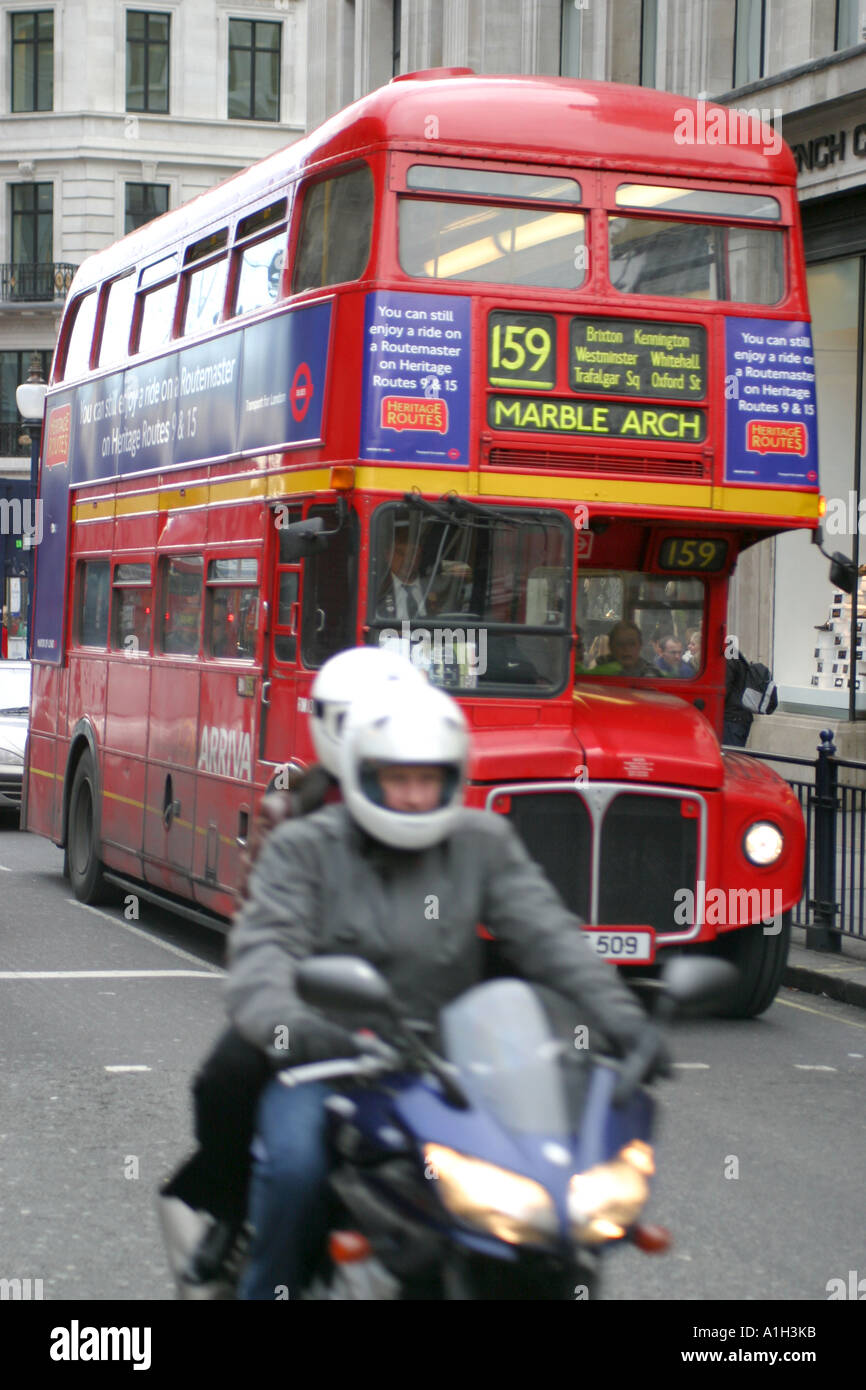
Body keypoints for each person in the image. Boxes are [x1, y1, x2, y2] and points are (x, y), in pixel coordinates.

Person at [226, 679, 664, 1300]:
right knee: (296, 1171)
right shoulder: (306, 849)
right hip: (330, 1064)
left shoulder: (479, 844)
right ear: (364, 777)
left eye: (427, 779)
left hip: (449, 1072)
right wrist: (296, 1028)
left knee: (548, 1191)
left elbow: (549, 936)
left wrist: (625, 1020)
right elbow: (264, 955)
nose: (411, 796)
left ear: (451, 778)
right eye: (396, 779)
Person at [158, 645, 424, 1297]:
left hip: (412, 1020)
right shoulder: (292, 814)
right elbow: (257, 929)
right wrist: (284, 1006)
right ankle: (231, 1211)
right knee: (226, 1080)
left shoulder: (431, 803)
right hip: (306, 1014)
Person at [590, 620, 657, 677]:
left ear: (640, 646)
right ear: (611, 646)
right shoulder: (598, 670)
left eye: (632, 644)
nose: (626, 648)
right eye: (620, 644)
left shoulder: (651, 674)